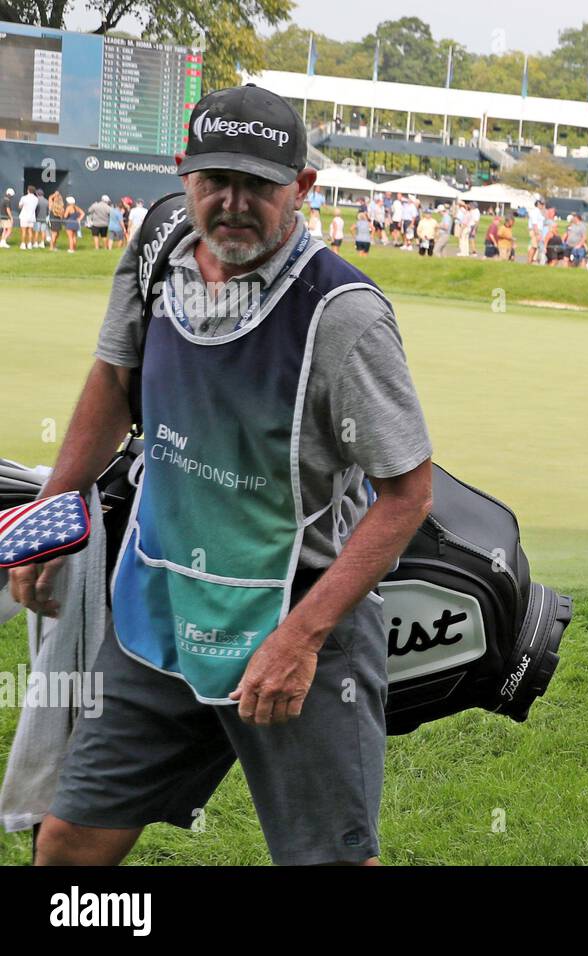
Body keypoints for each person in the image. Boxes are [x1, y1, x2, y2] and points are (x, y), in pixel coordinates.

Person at [11, 83, 432, 866]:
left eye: (260, 185)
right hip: (158, 612)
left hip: (298, 622)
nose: (234, 204)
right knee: (68, 844)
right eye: (215, 181)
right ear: (182, 175)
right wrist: (54, 510)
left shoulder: (344, 314)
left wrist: (302, 640)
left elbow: (408, 495)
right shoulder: (160, 245)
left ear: (302, 188)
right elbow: (114, 379)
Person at [17, 185, 38, 249]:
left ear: (28, 190)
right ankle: (29, 244)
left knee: (23, 231)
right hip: (32, 217)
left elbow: (20, 206)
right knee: (30, 231)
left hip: (24, 216)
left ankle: (23, 244)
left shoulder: (24, 197)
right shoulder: (36, 199)